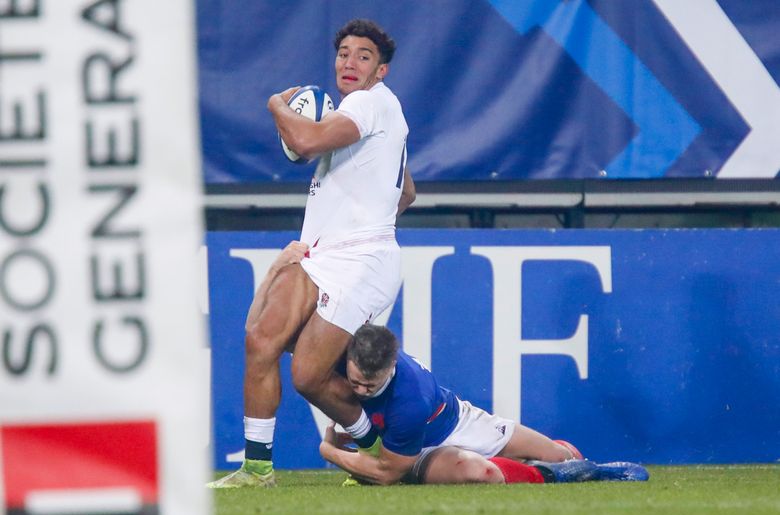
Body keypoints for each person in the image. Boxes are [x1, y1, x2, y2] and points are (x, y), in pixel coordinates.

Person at [208, 19, 414, 489]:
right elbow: (407, 193)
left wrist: (277, 105)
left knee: (308, 376)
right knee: (262, 338)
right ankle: (257, 470)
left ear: (380, 71)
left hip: (361, 260)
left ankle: (378, 455)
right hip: (321, 253)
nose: (349, 62)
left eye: (363, 56)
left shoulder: (366, 103)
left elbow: (302, 142)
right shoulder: (379, 115)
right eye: (344, 52)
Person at [319, 324, 650, 486]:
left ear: (390, 368)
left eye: (370, 385)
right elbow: (394, 469)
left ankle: (564, 462)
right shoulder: (339, 353)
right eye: (355, 381)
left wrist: (329, 452)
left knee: (565, 455)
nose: (360, 390)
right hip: (422, 451)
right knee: (481, 472)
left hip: (458, 422)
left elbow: (385, 473)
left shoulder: (411, 399)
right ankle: (546, 475)